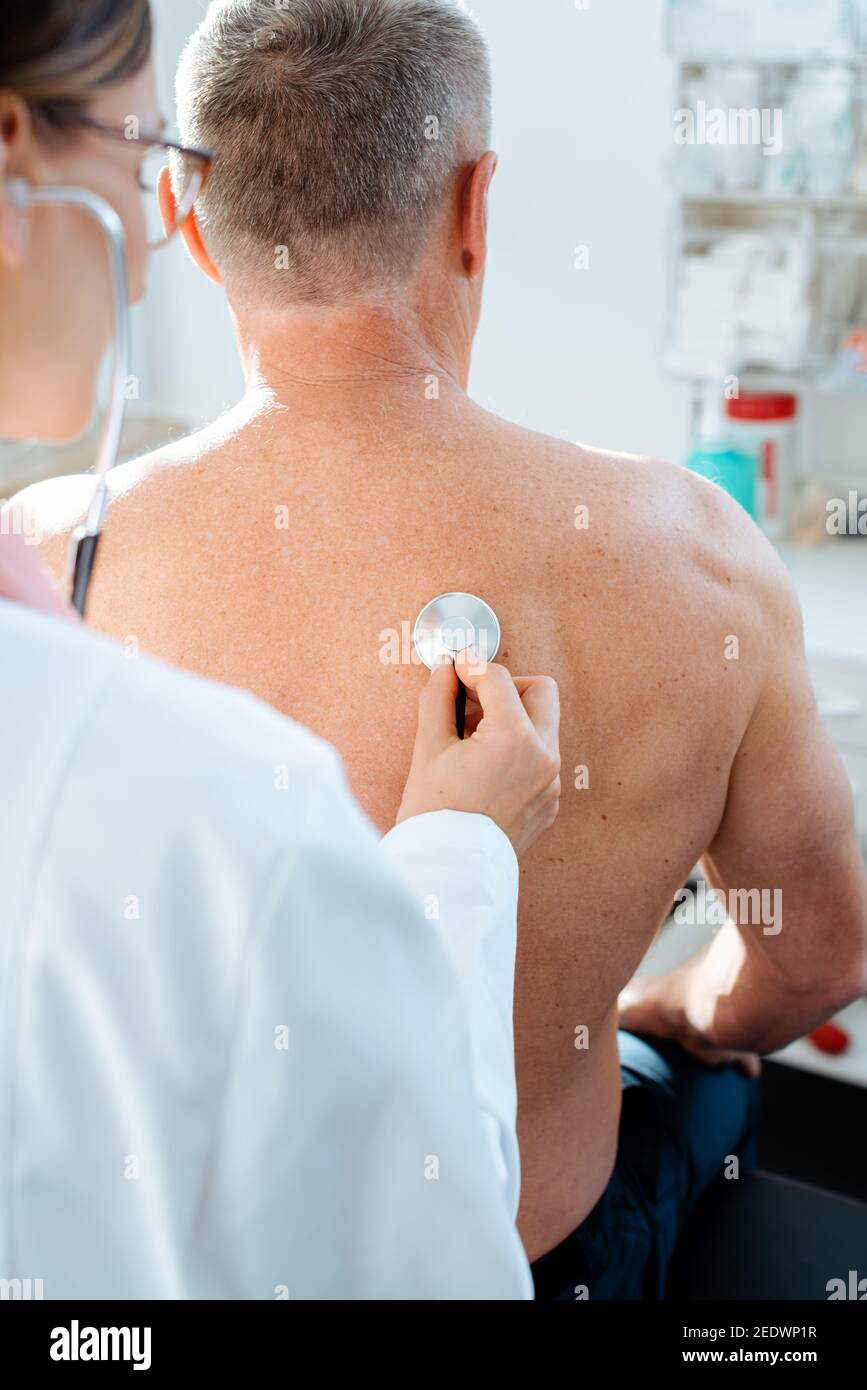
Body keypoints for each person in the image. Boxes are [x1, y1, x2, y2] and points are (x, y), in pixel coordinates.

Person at [16, 0, 867, 1293]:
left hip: (186, 1262)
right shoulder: (705, 558)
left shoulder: (47, 568)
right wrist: (676, 1011)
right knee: (711, 1091)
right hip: (540, 1246)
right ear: (479, 208)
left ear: (186, 218)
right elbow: (816, 954)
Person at [0, 0, 563, 1300]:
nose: (142, 253)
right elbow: (430, 1260)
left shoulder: (51, 548)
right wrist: (463, 852)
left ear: (202, 222)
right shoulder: (221, 804)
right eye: (129, 151)